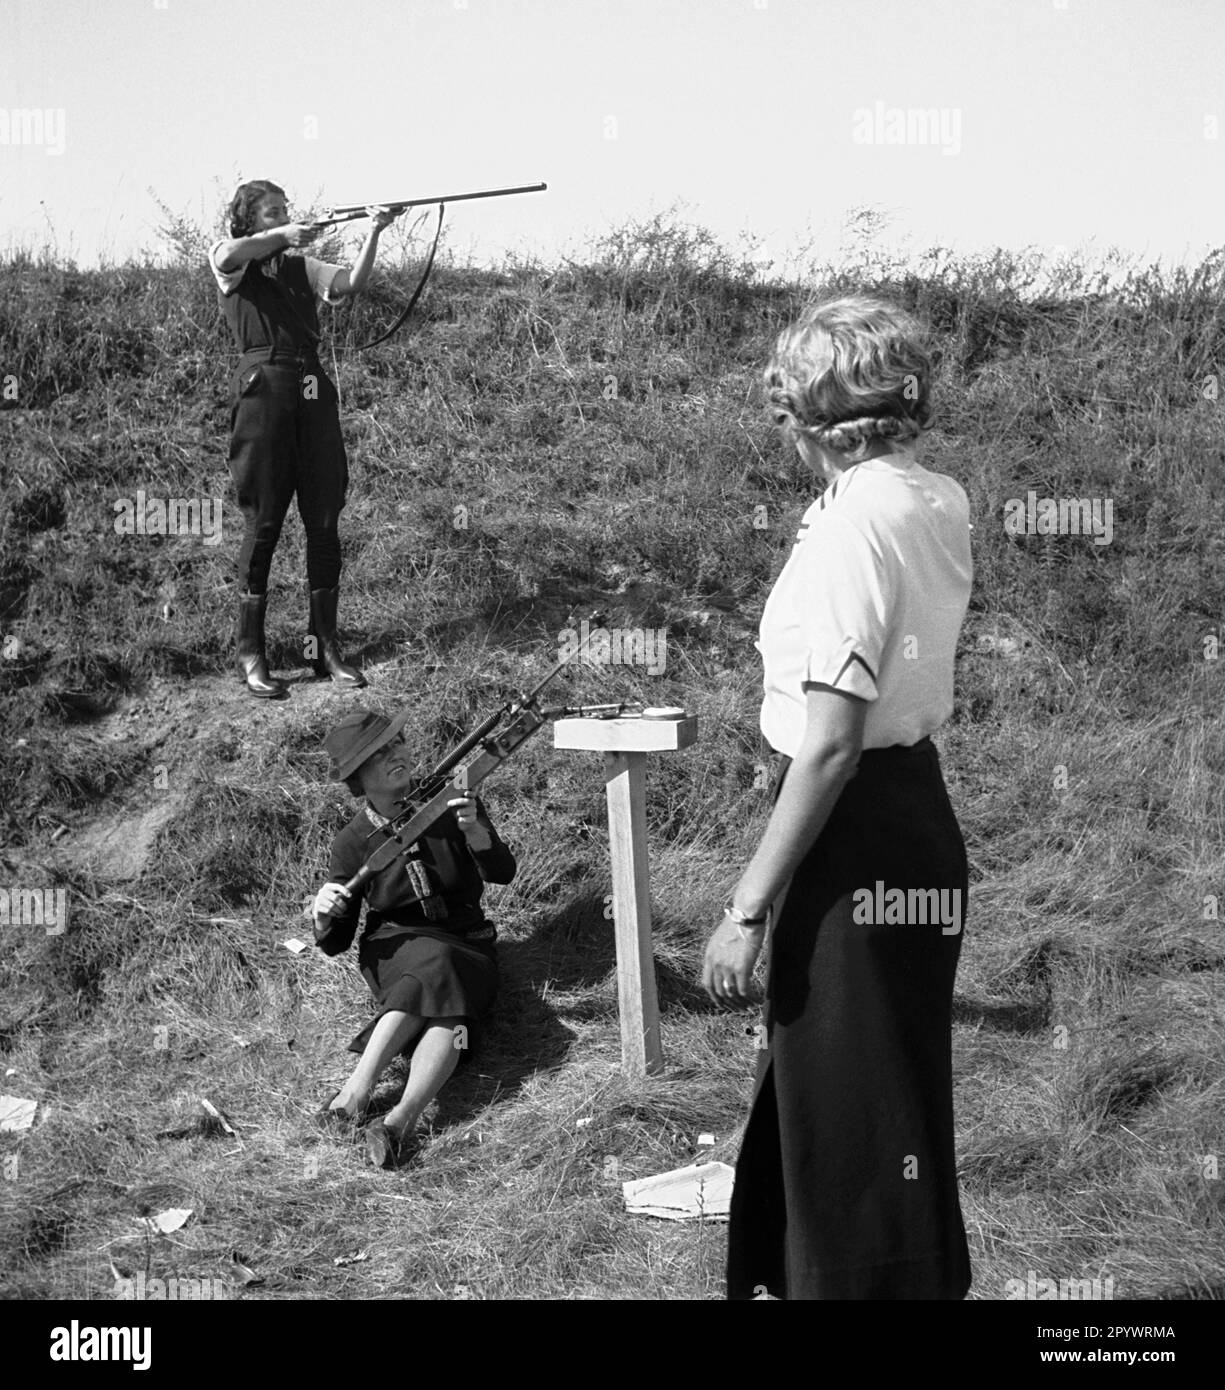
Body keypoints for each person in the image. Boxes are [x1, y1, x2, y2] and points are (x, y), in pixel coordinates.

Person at [702, 295, 973, 1300]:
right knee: (863, 1088)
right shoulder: (929, 492)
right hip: (911, 816)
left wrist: (747, 907)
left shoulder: (855, 522)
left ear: (806, 411)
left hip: (853, 827)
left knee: (857, 1106)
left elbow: (829, 743)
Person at [209, 181, 402, 698]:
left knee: (323, 518)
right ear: (249, 220)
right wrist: (284, 234)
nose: (284, 218)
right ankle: (252, 653)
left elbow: (350, 284)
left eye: (286, 212)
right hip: (263, 387)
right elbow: (229, 251)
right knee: (264, 521)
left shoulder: (301, 266)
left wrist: (375, 231)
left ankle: (324, 650)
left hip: (312, 386)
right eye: (273, 213)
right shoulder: (232, 260)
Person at [312, 708, 516, 1168]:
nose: (396, 754)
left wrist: (477, 834)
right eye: (379, 754)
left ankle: (396, 1123)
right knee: (434, 969)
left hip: (468, 941)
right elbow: (336, 941)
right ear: (358, 780)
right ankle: (358, 1093)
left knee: (454, 1022)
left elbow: (503, 873)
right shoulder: (352, 841)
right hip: (395, 946)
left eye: (397, 743)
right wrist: (324, 915)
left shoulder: (451, 803)